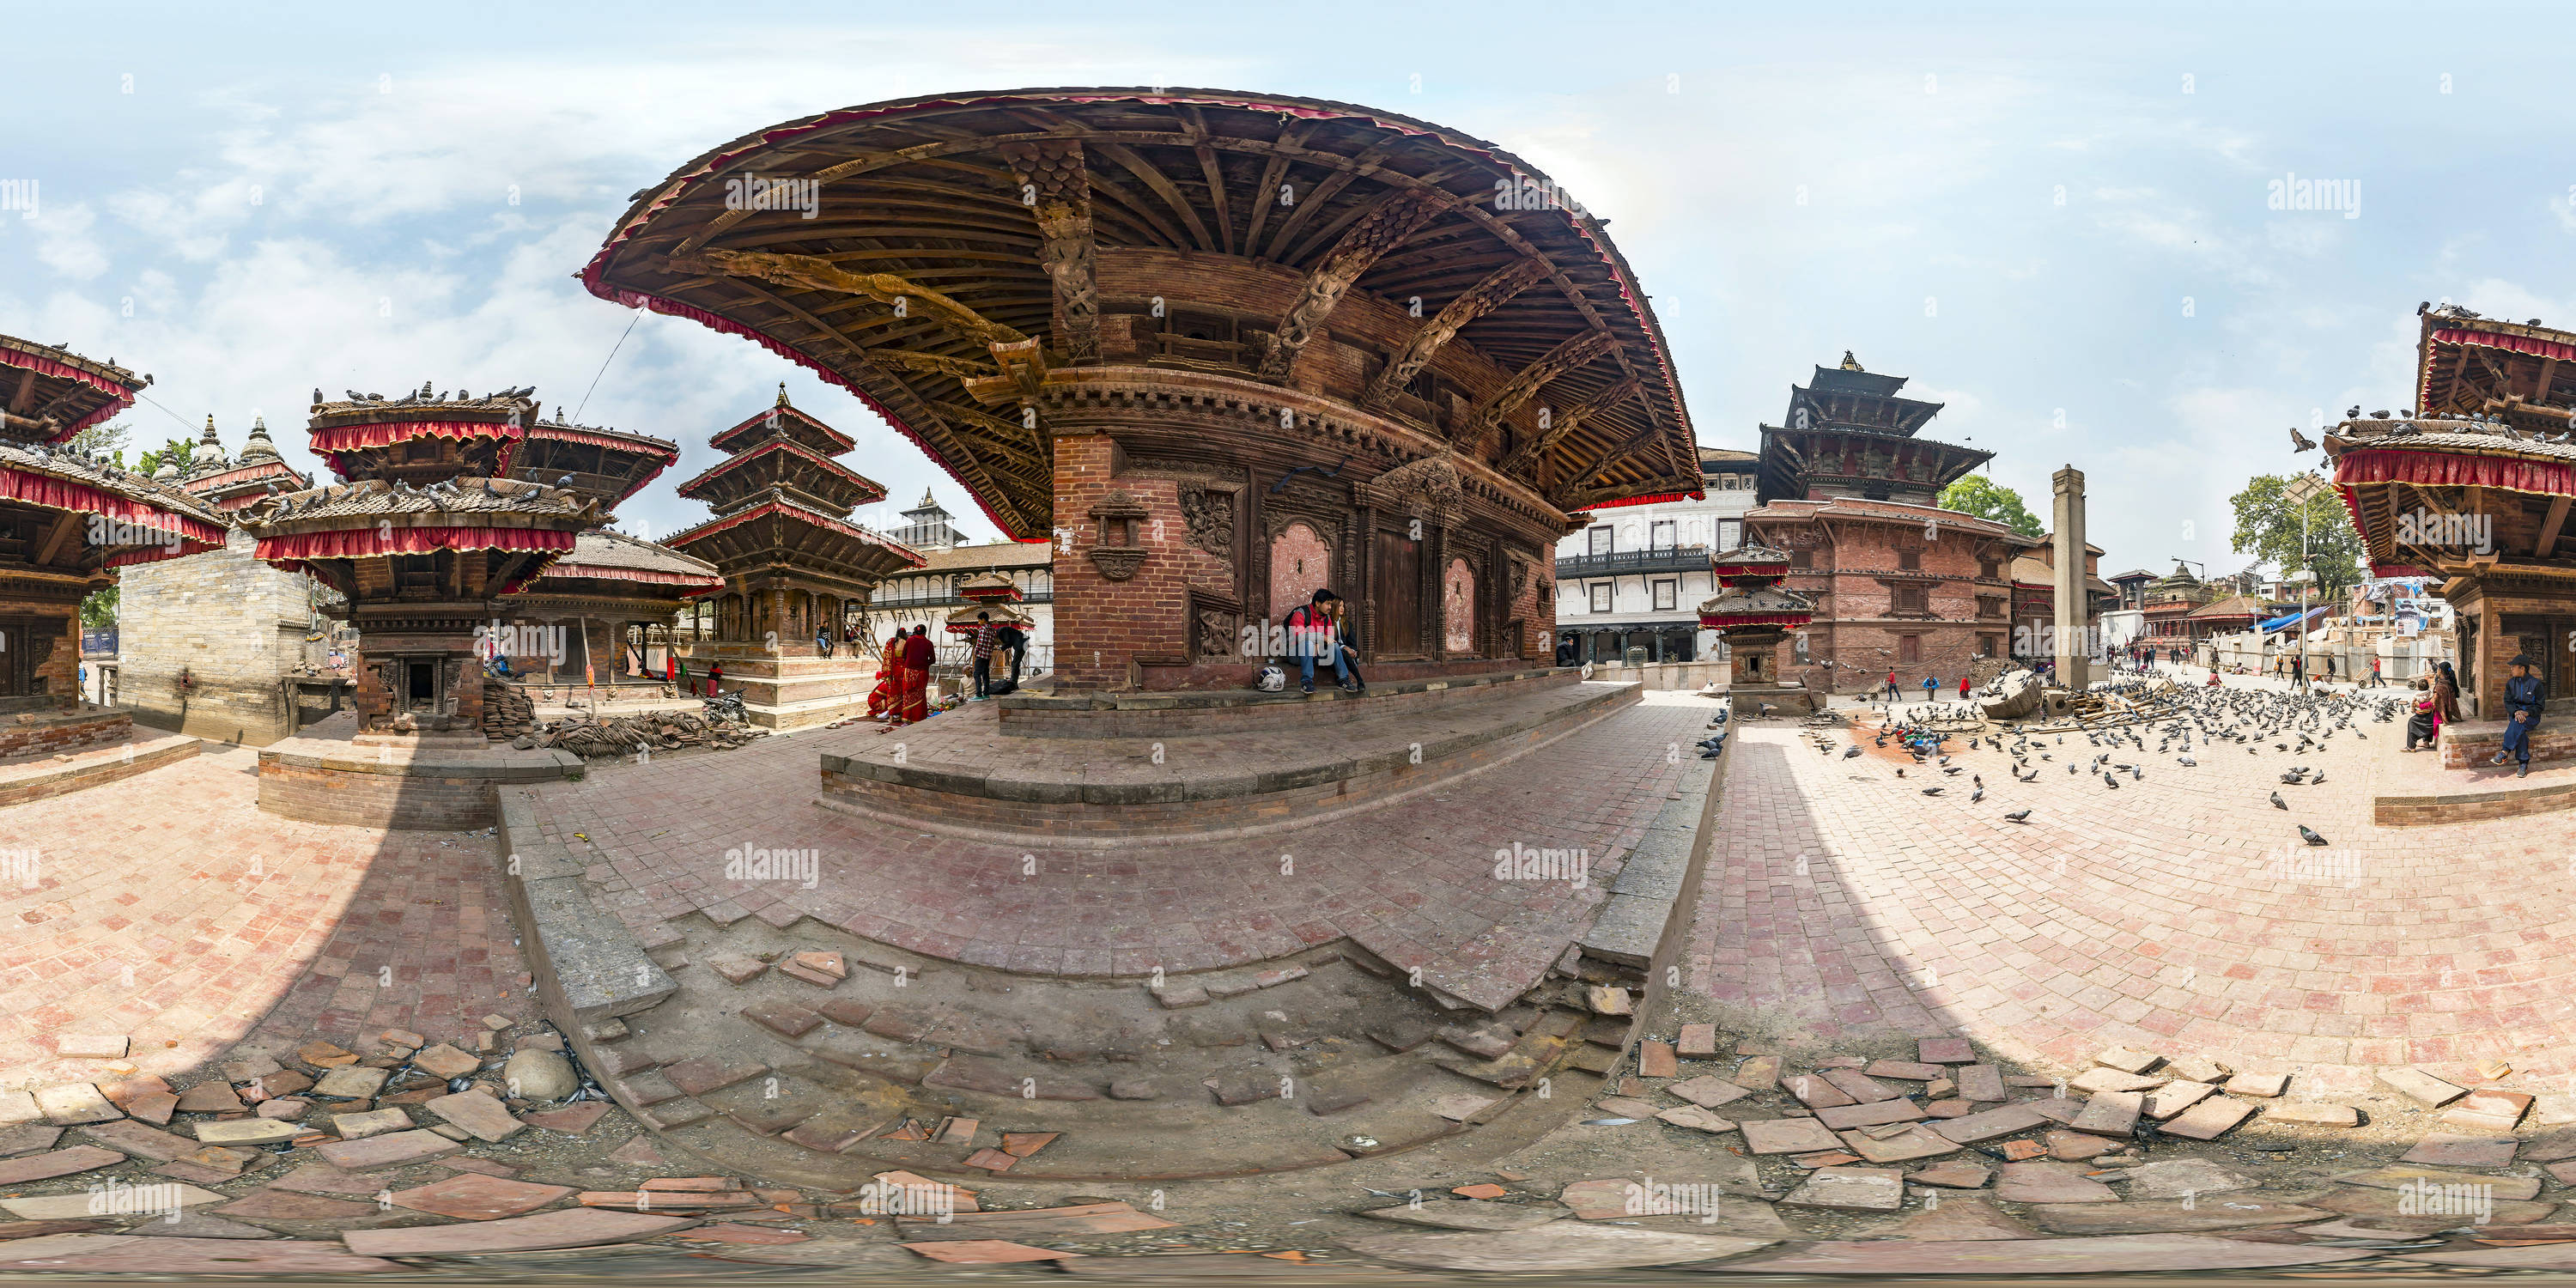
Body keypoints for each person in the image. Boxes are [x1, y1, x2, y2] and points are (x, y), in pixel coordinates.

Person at [1281, 589, 1356, 695]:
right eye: (1327, 604)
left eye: (1331, 604)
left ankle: (1343, 679)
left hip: (1315, 654)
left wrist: (1319, 642)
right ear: (1317, 603)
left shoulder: (1327, 618)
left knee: (1334, 645)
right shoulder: (1301, 613)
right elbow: (1300, 637)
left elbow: (1329, 639)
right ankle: (1307, 682)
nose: (1330, 607)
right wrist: (1320, 637)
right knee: (1308, 644)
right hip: (1295, 654)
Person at [2494, 653, 2544, 777]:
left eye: (2513, 667)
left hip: (2531, 717)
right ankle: (2523, 764)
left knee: (2518, 723)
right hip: (2515, 715)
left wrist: (2527, 713)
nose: (2511, 669)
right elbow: (2508, 702)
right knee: (2519, 726)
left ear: (2522, 668)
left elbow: (2540, 706)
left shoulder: (2536, 684)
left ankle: (2505, 751)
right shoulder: (2510, 683)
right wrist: (2516, 712)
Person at [896, 624, 935, 721]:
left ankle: (907, 717)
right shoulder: (929, 643)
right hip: (922, 672)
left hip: (909, 672)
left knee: (908, 693)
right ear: (925, 632)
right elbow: (933, 660)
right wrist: (924, 664)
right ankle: (919, 717)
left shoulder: (910, 640)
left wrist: (910, 662)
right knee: (920, 694)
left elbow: (903, 655)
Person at [2403, 678, 2440, 751]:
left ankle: (2411, 746)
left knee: (2412, 721)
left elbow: (2413, 704)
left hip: (2429, 715)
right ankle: (2426, 742)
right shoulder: (2431, 693)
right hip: (2430, 713)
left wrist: (2414, 709)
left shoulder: (2416, 695)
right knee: (2423, 718)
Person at [968, 611, 997, 699]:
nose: (978, 622)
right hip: (988, 656)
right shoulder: (992, 631)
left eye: (979, 620)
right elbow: (992, 644)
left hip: (981, 656)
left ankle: (979, 695)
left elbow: (979, 644)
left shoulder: (982, 630)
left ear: (983, 620)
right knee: (986, 675)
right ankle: (986, 694)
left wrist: (975, 652)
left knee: (976, 674)